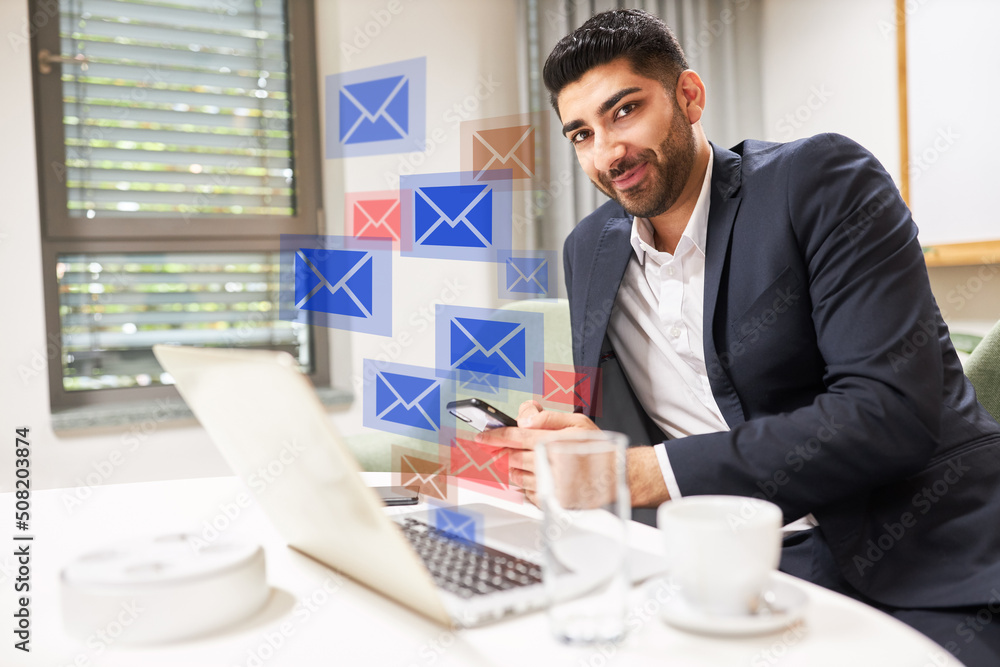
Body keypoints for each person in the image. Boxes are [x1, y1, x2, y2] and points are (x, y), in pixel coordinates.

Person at [476, 8, 1000, 664]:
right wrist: (584, 444)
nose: (608, 153)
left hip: (922, 563)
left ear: (689, 97)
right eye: (580, 134)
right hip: (718, 570)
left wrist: (637, 471)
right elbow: (633, 434)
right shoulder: (589, 250)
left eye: (624, 111)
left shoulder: (820, 182)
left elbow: (888, 414)